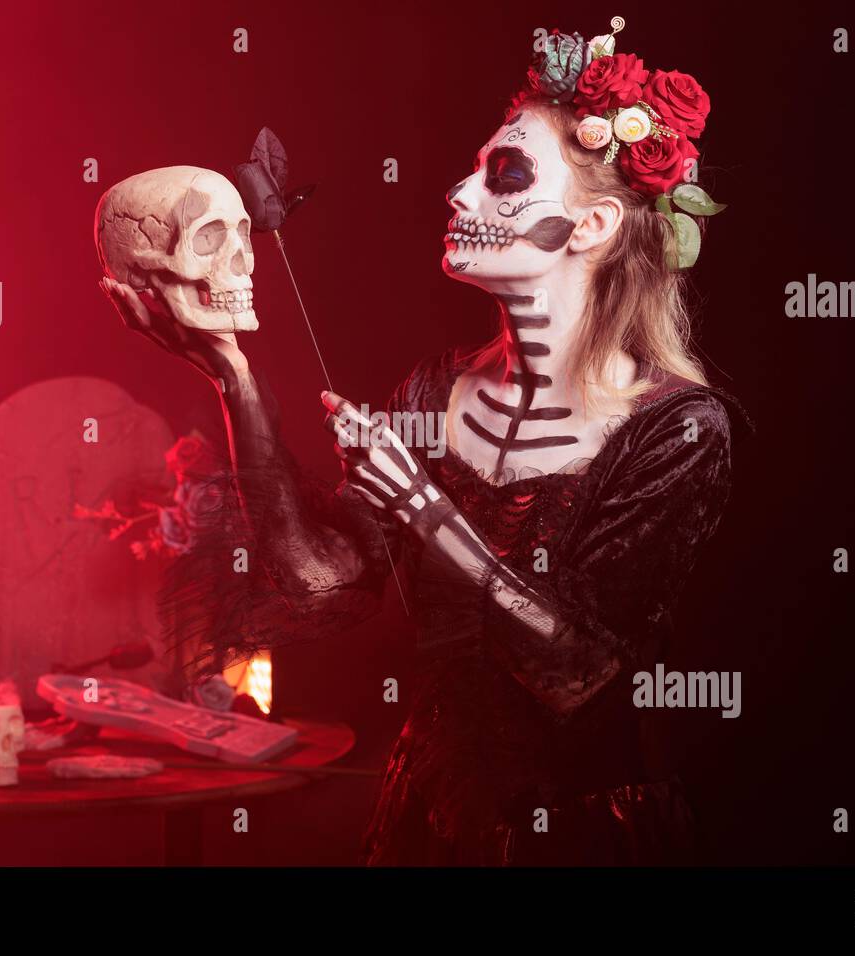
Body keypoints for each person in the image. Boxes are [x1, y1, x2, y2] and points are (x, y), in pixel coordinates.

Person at [100, 21, 751, 865]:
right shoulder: (434, 391)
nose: (457, 192)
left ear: (590, 227)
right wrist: (232, 376)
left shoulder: (679, 429)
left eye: (504, 174)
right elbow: (324, 586)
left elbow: (575, 673)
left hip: (592, 833)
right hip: (431, 823)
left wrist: (415, 500)